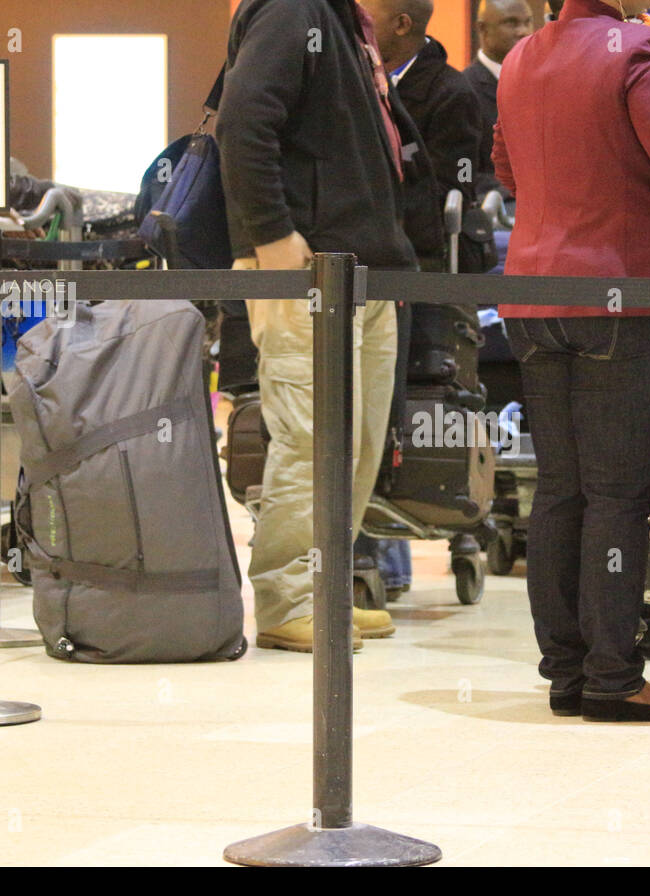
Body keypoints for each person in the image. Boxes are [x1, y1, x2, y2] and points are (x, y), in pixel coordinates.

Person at [494, 0, 650, 721]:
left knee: (561, 491)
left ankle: (569, 673)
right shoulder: (642, 52)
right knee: (617, 498)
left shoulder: (521, 59)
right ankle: (614, 678)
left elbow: (507, 171)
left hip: (537, 302)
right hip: (632, 302)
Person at [217, 0, 416, 653]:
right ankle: (285, 599)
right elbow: (244, 122)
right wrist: (272, 234)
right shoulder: (291, 9)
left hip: (363, 269)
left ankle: (323, 588)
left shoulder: (343, 23)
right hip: (308, 269)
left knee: (354, 445)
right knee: (309, 439)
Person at [363, 0, 484, 269]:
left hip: (415, 260)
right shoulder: (356, 79)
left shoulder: (453, 94)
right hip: (353, 247)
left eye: (366, 17)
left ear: (402, 25)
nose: (357, 25)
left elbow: (451, 195)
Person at [465, 0, 533, 200]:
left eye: (527, 22)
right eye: (511, 23)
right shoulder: (464, 89)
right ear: (482, 29)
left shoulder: (542, 83)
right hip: (496, 210)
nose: (523, 31)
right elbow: (463, 170)